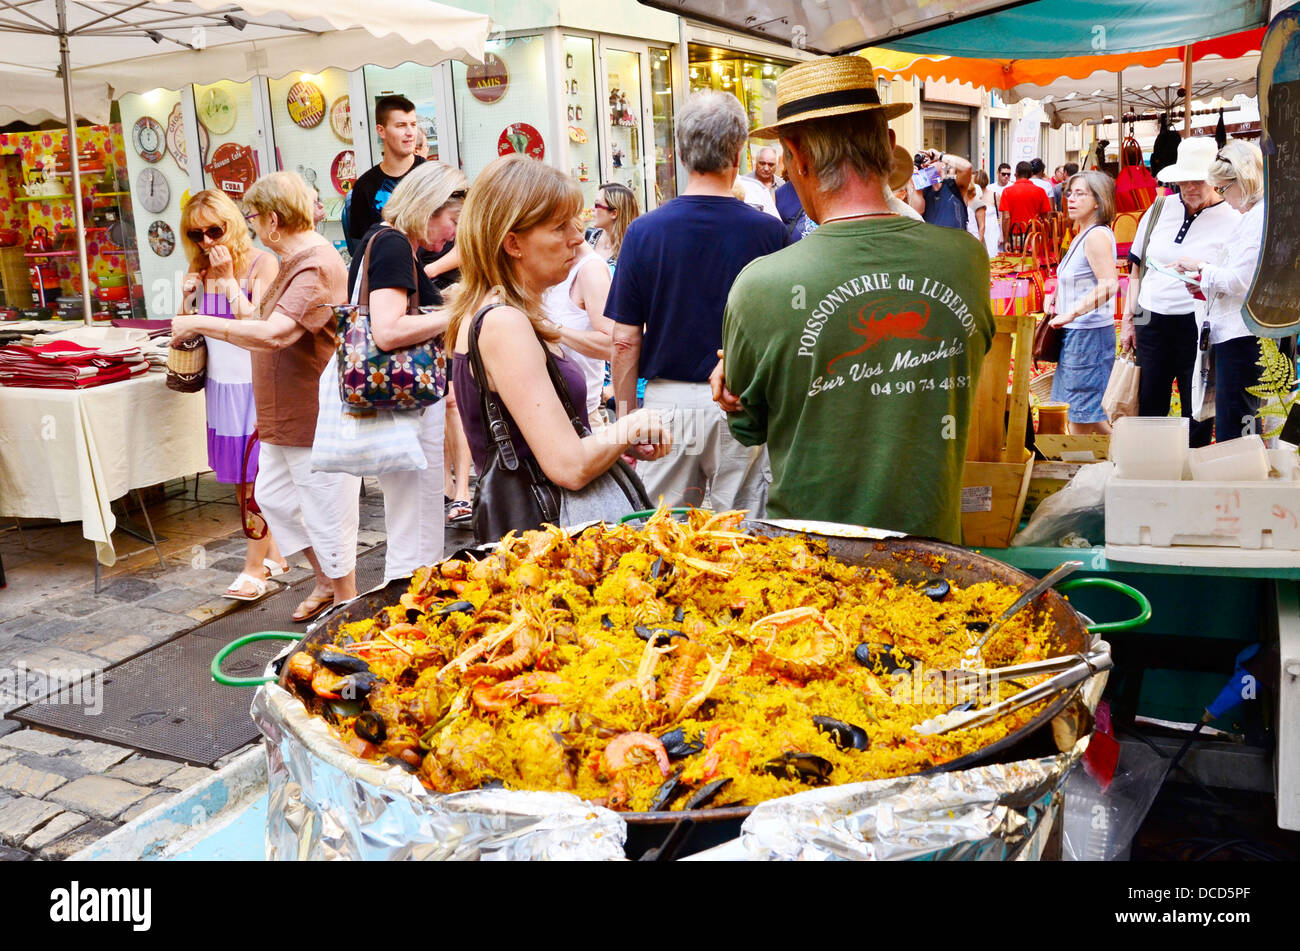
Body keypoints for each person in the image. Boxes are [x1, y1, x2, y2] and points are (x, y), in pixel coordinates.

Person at [713, 54, 994, 544]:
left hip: (810, 570)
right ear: (888, 146)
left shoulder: (759, 286)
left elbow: (750, 428)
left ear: (796, 159)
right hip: (937, 564)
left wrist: (740, 376)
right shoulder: (965, 261)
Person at [445, 154, 672, 530]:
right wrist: (634, 423)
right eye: (559, 227)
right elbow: (568, 466)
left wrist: (612, 442)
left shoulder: (494, 310)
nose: (577, 237)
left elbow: (537, 441)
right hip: (547, 540)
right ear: (513, 242)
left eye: (576, 221)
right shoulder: (504, 322)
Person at [170, 172, 359, 622]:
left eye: (251, 217)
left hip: (309, 412)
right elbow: (257, 318)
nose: (249, 226)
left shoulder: (313, 263)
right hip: (281, 413)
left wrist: (200, 324)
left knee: (325, 509)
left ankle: (346, 601)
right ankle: (324, 581)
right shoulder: (291, 259)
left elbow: (275, 335)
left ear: (273, 219)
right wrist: (213, 293)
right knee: (274, 498)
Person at [609, 91, 786, 512]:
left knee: (659, 537)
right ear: (739, 153)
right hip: (741, 402)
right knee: (741, 538)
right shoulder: (771, 234)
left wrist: (626, 416)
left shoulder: (643, 232)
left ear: (681, 154)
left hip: (667, 405)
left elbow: (623, 340)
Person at [347, 162, 467, 580]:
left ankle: (413, 598)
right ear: (428, 207)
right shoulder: (395, 245)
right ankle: (408, 606)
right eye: (452, 220)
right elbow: (389, 330)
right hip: (406, 403)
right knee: (414, 523)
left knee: (412, 517)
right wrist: (456, 313)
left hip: (399, 401)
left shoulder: (388, 243)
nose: (452, 234)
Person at [178, 189, 286, 601]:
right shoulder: (197, 266)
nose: (207, 242)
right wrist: (188, 298)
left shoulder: (263, 262)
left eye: (214, 230)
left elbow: (258, 324)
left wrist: (225, 283)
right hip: (221, 387)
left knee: (259, 480)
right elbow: (184, 329)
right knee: (242, 481)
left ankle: (254, 568)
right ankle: (275, 553)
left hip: (256, 385)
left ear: (233, 224)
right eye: (196, 234)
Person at [1122, 137, 1240, 447]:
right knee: (1149, 402)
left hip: (1197, 322)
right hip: (1150, 317)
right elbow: (1136, 268)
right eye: (1185, 180)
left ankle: (1193, 471)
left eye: (1199, 180)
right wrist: (1128, 320)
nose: (1191, 187)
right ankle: (1153, 465)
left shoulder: (1233, 218)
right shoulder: (1159, 208)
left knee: (1196, 406)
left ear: (1215, 179)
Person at [1172, 140, 1267, 442]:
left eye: (1225, 189)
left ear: (1244, 180)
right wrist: (1203, 281)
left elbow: (1240, 280)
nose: (1224, 199)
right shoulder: (1253, 216)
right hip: (1237, 334)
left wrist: (1202, 269)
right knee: (1236, 421)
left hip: (1243, 336)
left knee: (1236, 427)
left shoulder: (1257, 218)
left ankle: (1239, 484)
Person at [1045, 171, 1120, 435]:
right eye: (1070, 193)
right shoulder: (1084, 234)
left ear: (1098, 201)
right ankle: (1128, 459)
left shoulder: (1095, 236)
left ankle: (1078, 469)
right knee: (1089, 414)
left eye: (1080, 194)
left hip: (1088, 335)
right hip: (1081, 333)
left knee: (1080, 413)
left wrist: (1072, 313)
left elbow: (1110, 283)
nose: (1071, 199)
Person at [544, 230, 616, 429]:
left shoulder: (590, 270)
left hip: (581, 417)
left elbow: (613, 345)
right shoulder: (549, 263)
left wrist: (554, 330)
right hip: (547, 413)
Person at [347, 96, 425, 249]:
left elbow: (459, 242)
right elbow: (362, 249)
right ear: (381, 131)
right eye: (401, 125)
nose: (410, 132)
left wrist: (430, 270)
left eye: (413, 125)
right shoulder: (364, 187)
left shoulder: (432, 176)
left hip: (434, 269)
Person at [999, 161, 1051, 248]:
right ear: (1031, 175)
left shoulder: (1007, 191)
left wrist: (1006, 240)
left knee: (1015, 260)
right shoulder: (1040, 191)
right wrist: (1045, 237)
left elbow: (1006, 217)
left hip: (1015, 236)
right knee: (1033, 261)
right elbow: (1045, 217)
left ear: (1016, 174)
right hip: (1034, 236)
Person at [919, 148, 973, 230]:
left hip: (955, 240)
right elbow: (917, 213)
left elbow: (967, 167)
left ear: (943, 165)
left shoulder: (953, 186)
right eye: (924, 161)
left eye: (931, 160)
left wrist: (940, 156)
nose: (927, 163)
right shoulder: (922, 191)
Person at [587, 182, 639, 266]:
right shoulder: (589, 236)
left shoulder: (634, 249)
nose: (591, 208)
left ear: (614, 213)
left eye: (597, 204)